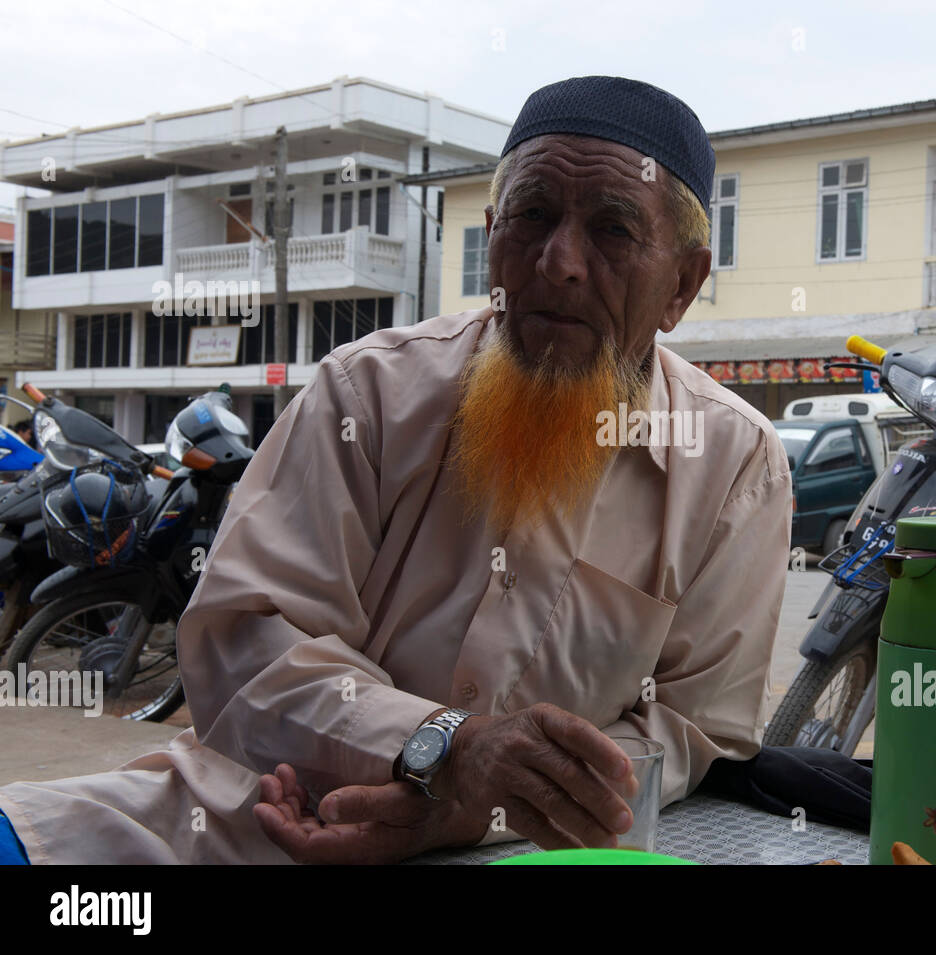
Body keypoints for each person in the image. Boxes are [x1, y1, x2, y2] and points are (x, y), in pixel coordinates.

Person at [0, 76, 792, 864]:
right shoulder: (368, 392)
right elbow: (245, 639)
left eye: (613, 230)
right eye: (533, 215)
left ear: (682, 285)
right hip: (258, 822)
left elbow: (694, 727)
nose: (558, 262)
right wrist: (443, 748)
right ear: (491, 235)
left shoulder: (733, 466)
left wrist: (471, 809)